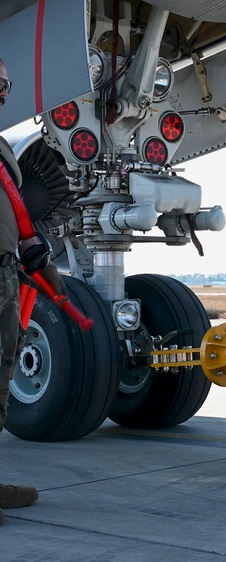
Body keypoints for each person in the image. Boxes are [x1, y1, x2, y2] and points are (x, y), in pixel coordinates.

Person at [0, 57, 64, 524]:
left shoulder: (3, 151)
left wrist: (33, 252)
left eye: (5, 85)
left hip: (6, 273)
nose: (3, 92)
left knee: (0, 377)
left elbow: (17, 213)